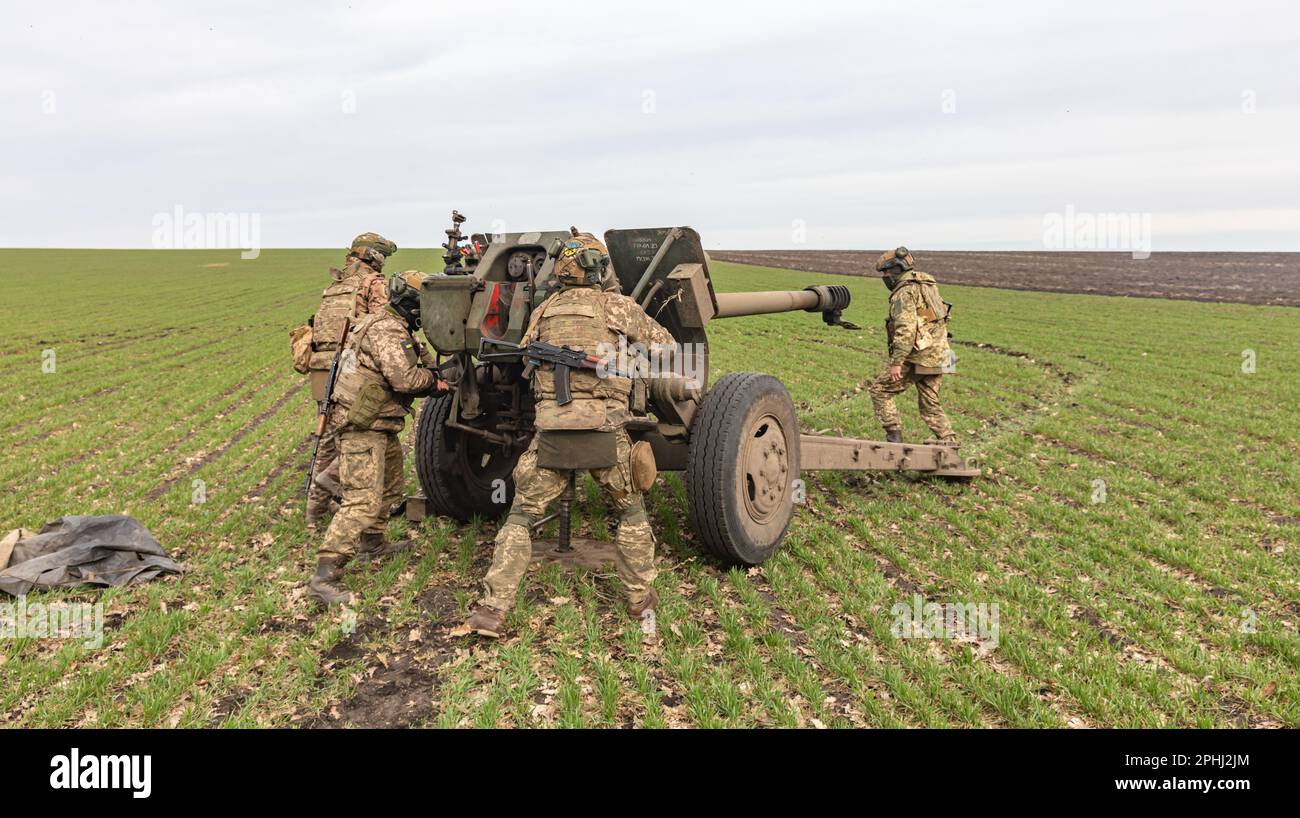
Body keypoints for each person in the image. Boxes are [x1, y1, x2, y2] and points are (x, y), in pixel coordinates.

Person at [458, 233, 675, 638]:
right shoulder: (617, 307)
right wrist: (628, 356)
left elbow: (526, 354)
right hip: (606, 436)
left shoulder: (544, 310)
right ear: (598, 268)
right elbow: (667, 347)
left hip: (552, 434)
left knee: (521, 518)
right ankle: (639, 599)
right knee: (630, 513)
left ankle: (492, 609)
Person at [309, 271, 446, 607]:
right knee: (362, 499)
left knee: (390, 487)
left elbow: (424, 361)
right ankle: (324, 573)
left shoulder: (397, 327)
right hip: (362, 426)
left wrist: (441, 371)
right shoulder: (386, 329)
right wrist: (435, 383)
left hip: (380, 423)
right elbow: (404, 379)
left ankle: (374, 543)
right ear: (413, 305)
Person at [304, 233, 396, 530]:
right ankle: (348, 497)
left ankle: (314, 513)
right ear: (377, 258)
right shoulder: (374, 284)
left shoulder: (334, 286)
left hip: (321, 366)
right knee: (357, 431)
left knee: (328, 438)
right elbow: (384, 326)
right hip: (350, 369)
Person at [867, 246, 958, 446]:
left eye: (886, 271)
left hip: (919, 355)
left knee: (880, 390)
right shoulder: (928, 284)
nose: (885, 276)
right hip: (942, 353)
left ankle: (894, 439)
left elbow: (906, 329)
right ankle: (950, 446)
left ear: (897, 269)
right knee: (930, 405)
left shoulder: (904, 292)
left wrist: (897, 362)